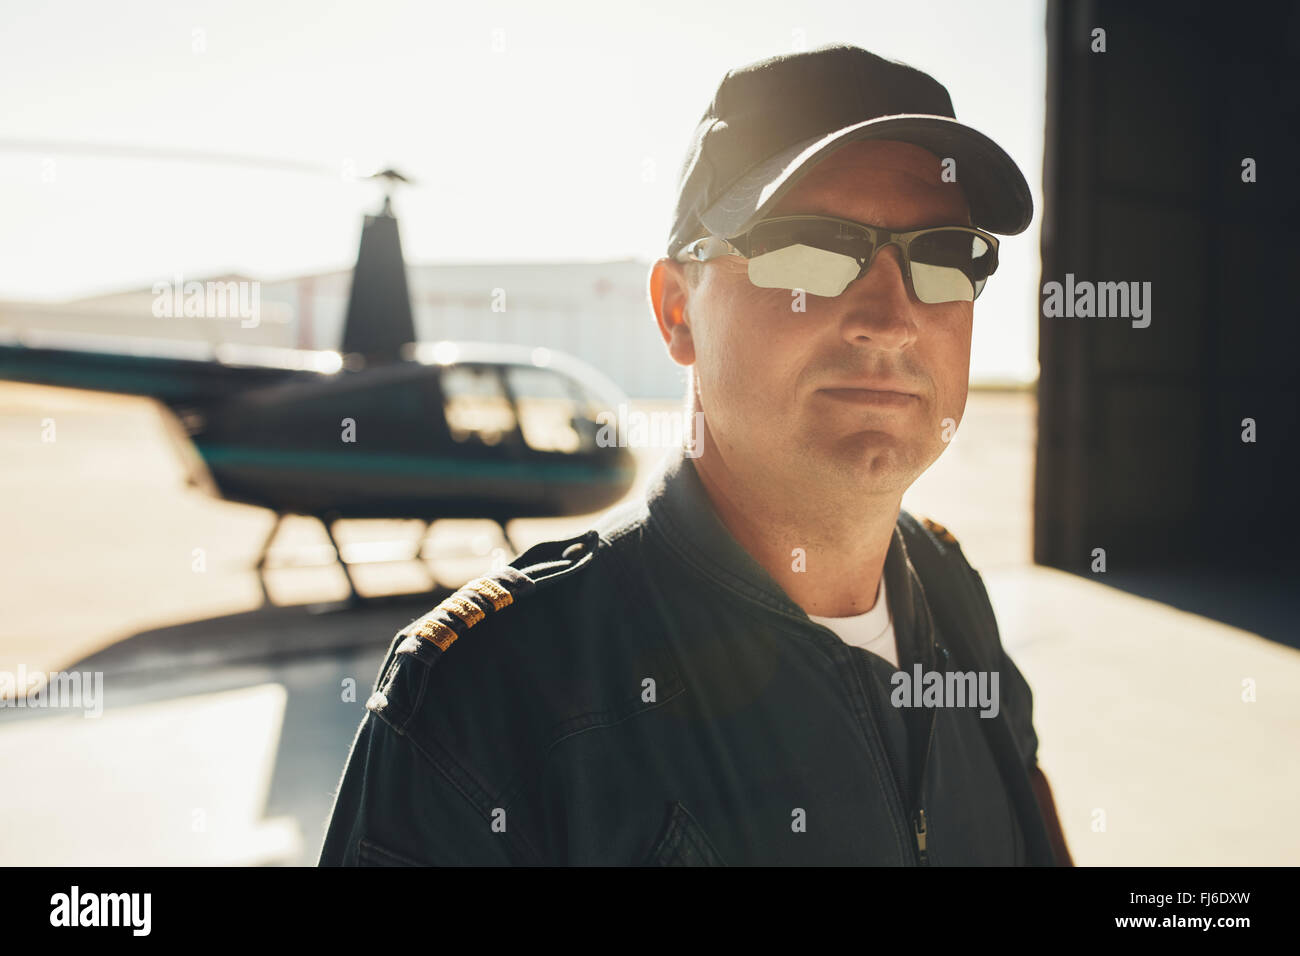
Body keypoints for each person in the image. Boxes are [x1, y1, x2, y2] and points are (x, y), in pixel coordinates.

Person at [319, 42, 1073, 866]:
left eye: (942, 257)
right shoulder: (485, 701)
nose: (889, 319)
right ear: (678, 310)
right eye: (809, 251)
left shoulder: (952, 595)